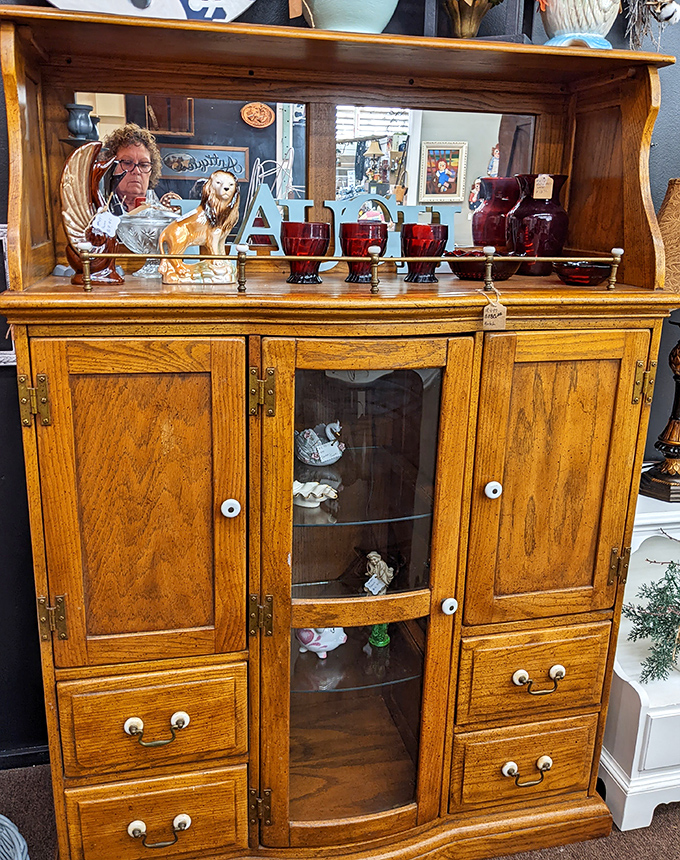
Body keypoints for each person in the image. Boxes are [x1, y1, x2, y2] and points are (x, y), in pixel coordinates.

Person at [100, 122, 178, 214]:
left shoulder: (164, 218)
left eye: (144, 165)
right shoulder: (98, 213)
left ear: (151, 172)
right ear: (110, 167)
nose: (136, 171)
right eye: (127, 163)